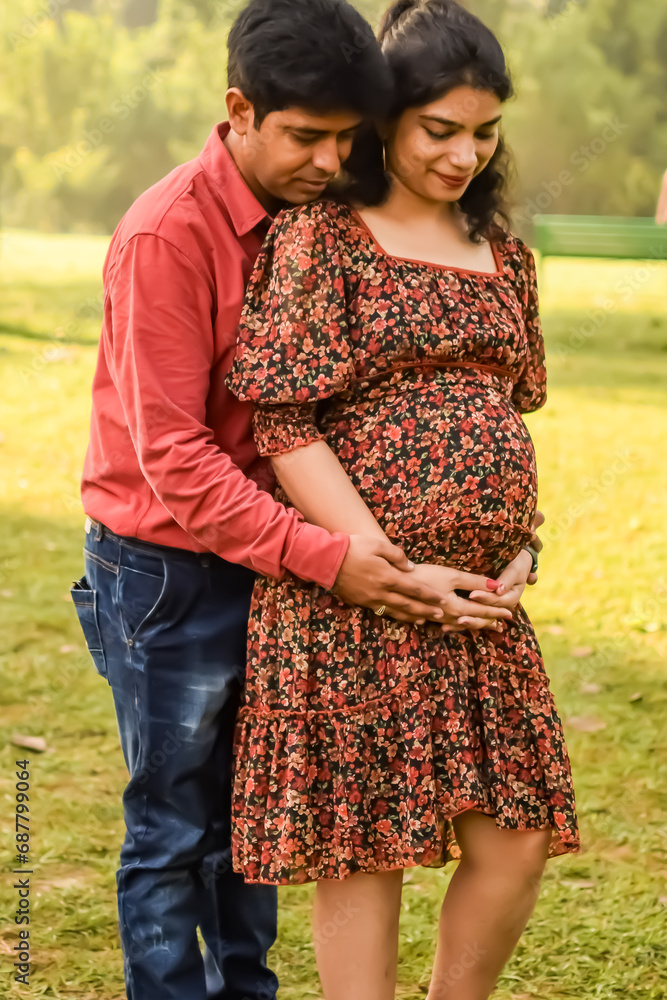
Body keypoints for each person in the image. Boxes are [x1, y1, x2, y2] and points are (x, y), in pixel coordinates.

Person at [70, 2, 508, 997]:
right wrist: (328, 556)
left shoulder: (317, 224)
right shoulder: (166, 234)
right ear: (238, 109)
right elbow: (175, 456)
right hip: (168, 573)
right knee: (176, 824)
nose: (329, 161)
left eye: (348, 139)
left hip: (272, 557)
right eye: (306, 138)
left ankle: (249, 988)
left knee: (254, 816)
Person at [226, 2, 579, 999]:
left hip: (477, 599)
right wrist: (379, 562)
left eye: (485, 130)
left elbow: (504, 414)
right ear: (386, 118)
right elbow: (284, 422)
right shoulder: (321, 236)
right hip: (357, 591)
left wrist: (522, 544)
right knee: (361, 847)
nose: (465, 153)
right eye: (440, 129)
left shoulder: (504, 250)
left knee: (516, 839)